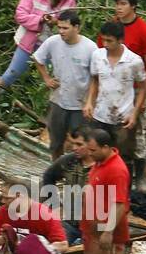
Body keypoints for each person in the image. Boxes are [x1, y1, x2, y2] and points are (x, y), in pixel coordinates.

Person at [102, 0, 146, 183]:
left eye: (123, 4)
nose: (119, 8)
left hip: (134, 89)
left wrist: (144, 95)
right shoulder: (111, 28)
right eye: (117, 3)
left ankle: (139, 176)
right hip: (110, 88)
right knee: (110, 132)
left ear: (133, 6)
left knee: (136, 134)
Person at [80, 127, 132, 254]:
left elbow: (119, 204)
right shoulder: (100, 163)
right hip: (94, 228)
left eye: (93, 150)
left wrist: (108, 231)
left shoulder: (116, 169)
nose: (90, 154)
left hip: (107, 229)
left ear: (106, 147)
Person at [84, 21, 146, 172]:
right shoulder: (97, 56)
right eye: (103, 40)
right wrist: (89, 102)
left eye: (109, 41)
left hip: (123, 116)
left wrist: (134, 113)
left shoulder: (134, 61)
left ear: (120, 40)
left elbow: (142, 87)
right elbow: (94, 80)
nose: (105, 44)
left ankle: (123, 191)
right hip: (101, 114)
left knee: (124, 158)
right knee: (97, 154)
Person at [33, 10, 98, 157]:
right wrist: (47, 78)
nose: (61, 31)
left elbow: (96, 77)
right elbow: (38, 58)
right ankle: (57, 172)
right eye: (60, 27)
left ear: (76, 28)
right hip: (58, 100)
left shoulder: (90, 48)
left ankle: (81, 174)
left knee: (82, 142)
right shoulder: (53, 42)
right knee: (56, 142)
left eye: (65, 28)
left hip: (80, 104)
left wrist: (90, 102)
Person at [0, 0, 76, 88]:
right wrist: (40, 19)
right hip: (27, 43)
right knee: (11, 74)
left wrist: (55, 22)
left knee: (55, 78)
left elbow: (70, 23)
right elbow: (20, 15)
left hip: (51, 46)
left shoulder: (69, 1)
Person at [41, 127, 95, 243]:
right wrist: (54, 204)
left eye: (79, 144)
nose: (74, 148)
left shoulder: (103, 166)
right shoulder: (69, 161)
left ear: (91, 145)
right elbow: (48, 176)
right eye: (73, 144)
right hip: (70, 223)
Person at [0, 181, 68, 252]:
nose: (2, 201)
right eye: (2, 198)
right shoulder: (4, 211)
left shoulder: (45, 214)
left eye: (7, 198)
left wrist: (40, 250)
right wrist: (4, 238)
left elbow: (63, 245)